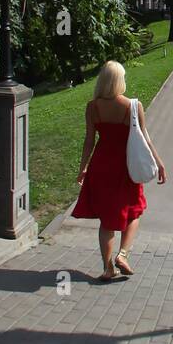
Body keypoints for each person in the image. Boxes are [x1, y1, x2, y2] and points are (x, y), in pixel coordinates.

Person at [69, 60, 166, 281]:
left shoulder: (92, 107)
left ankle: (107, 267)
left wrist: (83, 168)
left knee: (107, 218)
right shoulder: (133, 106)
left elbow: (88, 141)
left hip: (101, 165)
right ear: (119, 80)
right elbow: (144, 139)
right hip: (125, 166)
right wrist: (159, 162)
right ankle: (123, 254)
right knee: (134, 210)